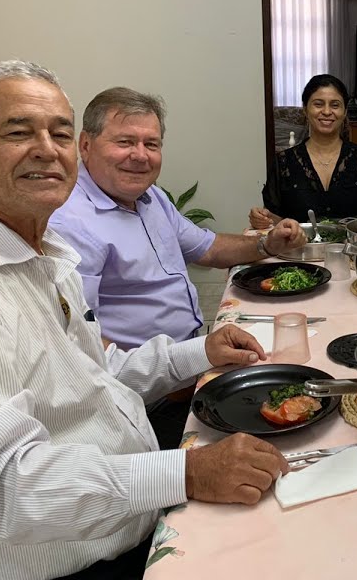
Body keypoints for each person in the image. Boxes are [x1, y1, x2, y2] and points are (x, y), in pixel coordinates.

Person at [0, 60, 290, 580]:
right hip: (61, 562)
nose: (46, 149)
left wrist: (200, 352)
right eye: (18, 132)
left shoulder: (44, 252)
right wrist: (183, 472)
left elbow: (95, 372)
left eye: (59, 133)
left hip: (126, 510)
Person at [49, 86, 306, 449]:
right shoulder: (70, 223)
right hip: (146, 401)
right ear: (85, 144)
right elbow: (84, 350)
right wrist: (184, 370)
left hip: (192, 362)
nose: (140, 156)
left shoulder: (150, 198)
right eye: (125, 142)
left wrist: (266, 244)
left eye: (151, 144)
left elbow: (208, 247)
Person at [249, 73, 357, 229]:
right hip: (297, 250)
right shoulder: (284, 162)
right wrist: (262, 218)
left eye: (335, 105)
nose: (327, 111)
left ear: (344, 112)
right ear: (305, 110)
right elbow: (274, 218)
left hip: (354, 249)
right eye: (318, 104)